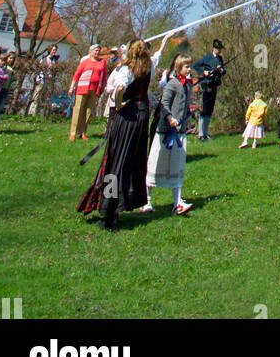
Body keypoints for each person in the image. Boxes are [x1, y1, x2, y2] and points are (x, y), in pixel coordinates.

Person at [77, 38, 166, 230]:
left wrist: (118, 103)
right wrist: (165, 41)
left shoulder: (127, 70)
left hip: (127, 118)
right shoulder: (148, 67)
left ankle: (109, 210)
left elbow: (119, 88)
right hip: (142, 117)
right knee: (130, 163)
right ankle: (118, 206)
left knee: (114, 163)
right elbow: (157, 55)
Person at [145, 54, 194, 214]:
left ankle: (177, 202)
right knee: (155, 164)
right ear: (179, 68)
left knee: (178, 166)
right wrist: (170, 118)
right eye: (186, 66)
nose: (189, 69)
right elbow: (164, 104)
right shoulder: (172, 84)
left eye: (189, 66)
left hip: (179, 132)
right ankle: (146, 200)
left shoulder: (187, 85)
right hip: (165, 133)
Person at [68, 45, 108, 141]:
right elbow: (76, 75)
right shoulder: (85, 62)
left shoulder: (102, 62)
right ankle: (73, 132)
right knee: (78, 110)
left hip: (94, 89)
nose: (97, 52)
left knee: (88, 111)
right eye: (95, 50)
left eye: (98, 50)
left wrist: (103, 87)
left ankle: (83, 132)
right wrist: (72, 87)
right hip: (82, 88)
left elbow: (104, 76)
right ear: (90, 51)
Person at [193, 39, 226, 140]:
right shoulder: (207, 58)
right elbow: (196, 65)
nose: (219, 51)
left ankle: (205, 133)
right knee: (205, 109)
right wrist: (204, 72)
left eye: (220, 49)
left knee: (210, 110)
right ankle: (201, 134)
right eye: (217, 49)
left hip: (214, 85)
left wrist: (221, 70)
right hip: (207, 85)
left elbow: (223, 71)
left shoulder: (220, 59)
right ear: (214, 48)